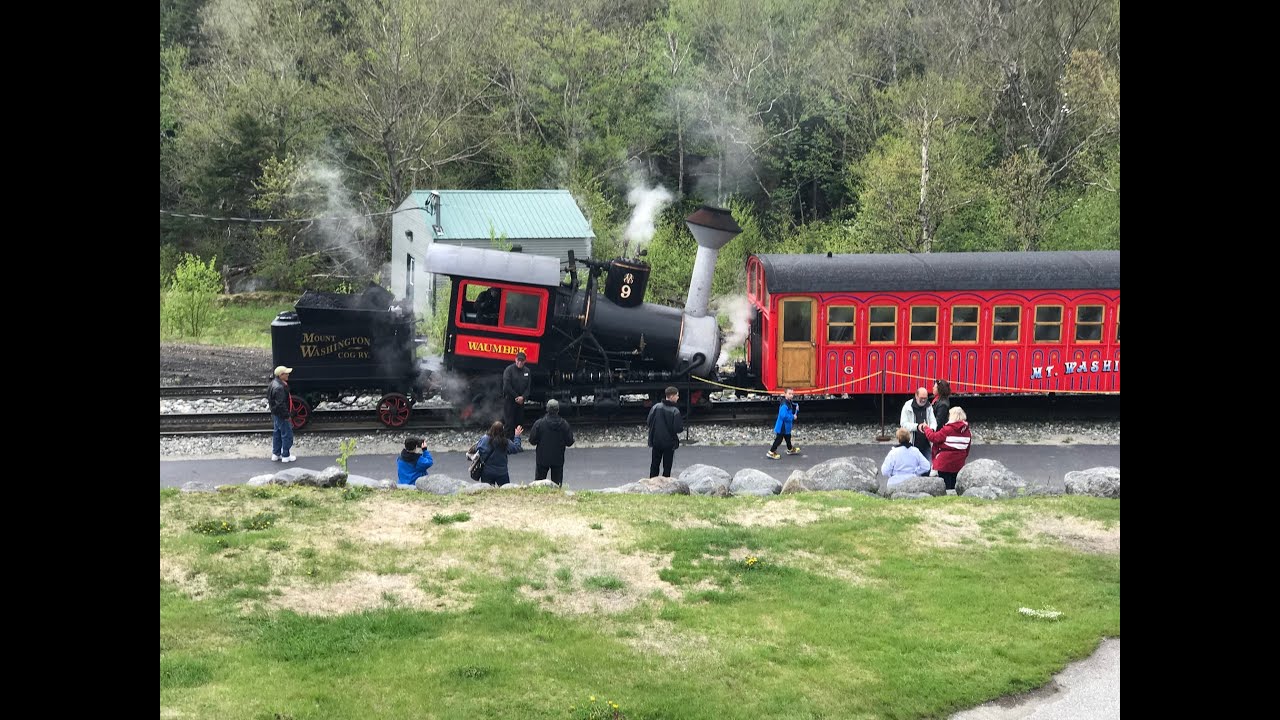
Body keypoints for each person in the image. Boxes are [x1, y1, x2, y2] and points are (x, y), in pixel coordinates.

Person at [920, 406, 972, 492]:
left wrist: (926, 428)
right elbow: (967, 450)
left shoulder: (947, 429)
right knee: (955, 488)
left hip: (944, 464)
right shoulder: (967, 432)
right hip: (959, 464)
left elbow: (933, 437)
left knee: (945, 488)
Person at [527, 399, 575, 486]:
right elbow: (570, 442)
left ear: (547, 409)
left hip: (542, 458)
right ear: (558, 410)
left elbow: (532, 441)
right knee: (557, 484)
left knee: (539, 484)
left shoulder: (539, 423)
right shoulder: (564, 424)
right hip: (558, 459)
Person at [646, 386, 684, 477]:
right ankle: (665, 485)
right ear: (672, 397)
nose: (678, 397)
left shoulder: (656, 407)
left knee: (654, 464)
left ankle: (652, 483)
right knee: (667, 467)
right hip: (669, 444)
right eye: (677, 395)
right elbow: (678, 428)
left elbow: (648, 422)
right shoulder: (675, 411)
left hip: (656, 441)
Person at [473, 420, 524, 486]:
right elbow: (516, 448)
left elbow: (478, 448)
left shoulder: (484, 439)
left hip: (487, 471)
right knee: (505, 491)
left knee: (488, 492)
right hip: (502, 472)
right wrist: (517, 436)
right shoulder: (505, 442)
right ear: (502, 431)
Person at [267, 365, 296, 463]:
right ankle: (286, 455)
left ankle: (276, 454)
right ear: (281, 375)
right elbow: (281, 404)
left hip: (275, 413)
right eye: (286, 373)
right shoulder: (279, 387)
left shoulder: (272, 384)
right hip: (281, 415)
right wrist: (287, 415)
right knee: (286, 434)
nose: (288, 375)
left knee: (277, 433)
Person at [899, 387, 937, 461]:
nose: (923, 400)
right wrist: (917, 427)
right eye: (921, 398)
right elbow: (903, 424)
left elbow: (933, 421)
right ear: (916, 396)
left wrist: (931, 429)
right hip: (911, 444)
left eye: (925, 398)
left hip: (926, 445)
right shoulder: (907, 406)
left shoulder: (928, 406)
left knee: (927, 469)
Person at [766, 388, 801, 459]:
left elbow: (792, 405)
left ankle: (790, 449)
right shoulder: (784, 404)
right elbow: (783, 415)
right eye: (789, 394)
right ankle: (771, 452)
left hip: (786, 426)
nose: (791, 395)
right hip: (783, 426)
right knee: (779, 439)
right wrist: (792, 416)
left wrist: (795, 406)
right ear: (785, 394)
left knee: (788, 437)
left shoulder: (788, 402)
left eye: (792, 394)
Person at [502, 351, 531, 432]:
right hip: (510, 400)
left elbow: (528, 388)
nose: (520, 362)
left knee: (519, 424)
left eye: (522, 361)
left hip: (521, 402)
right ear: (515, 359)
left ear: (525, 361)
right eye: (518, 360)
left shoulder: (527, 371)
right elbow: (506, 386)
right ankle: (507, 442)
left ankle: (516, 442)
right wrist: (516, 397)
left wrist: (523, 397)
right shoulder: (509, 370)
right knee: (509, 423)